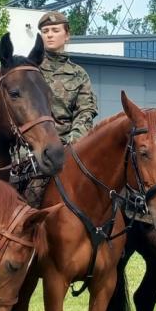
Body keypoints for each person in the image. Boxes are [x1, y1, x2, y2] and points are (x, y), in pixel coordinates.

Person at [21, 11, 97, 205]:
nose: (50, 35)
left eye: (55, 30)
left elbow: (85, 112)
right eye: (45, 31)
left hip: (68, 146)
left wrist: (73, 143)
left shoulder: (79, 75)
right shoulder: (28, 70)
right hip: (32, 147)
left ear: (67, 35)